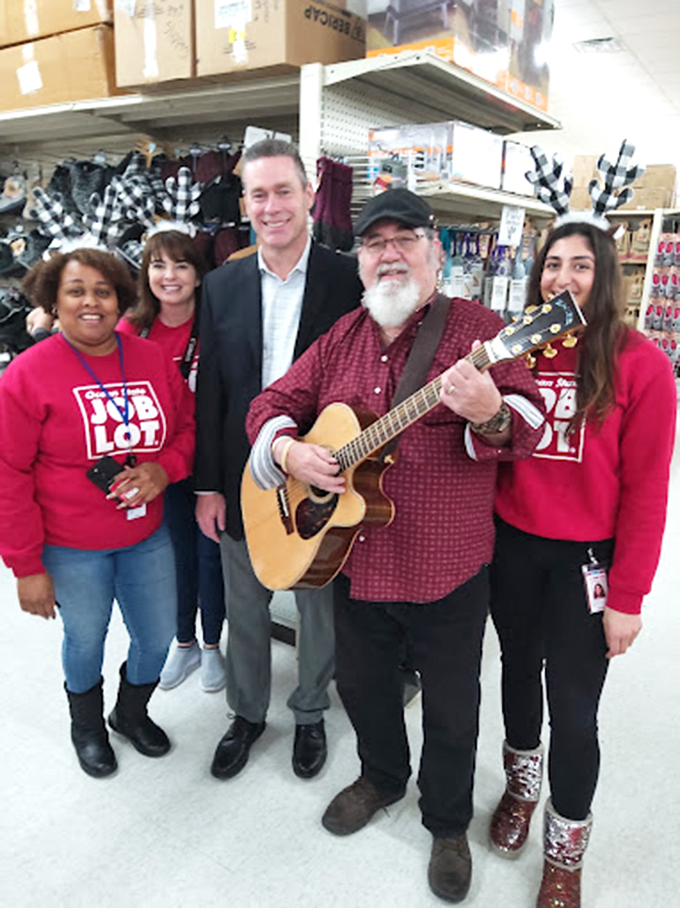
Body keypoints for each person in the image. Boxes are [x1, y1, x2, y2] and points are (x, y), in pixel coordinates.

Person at [244, 188, 545, 903]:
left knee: (450, 706)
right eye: (374, 243)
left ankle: (445, 821)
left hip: (447, 566)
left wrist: (492, 412)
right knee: (364, 687)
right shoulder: (342, 336)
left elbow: (529, 425)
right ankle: (381, 777)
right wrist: (289, 455)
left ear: (435, 252)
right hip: (352, 559)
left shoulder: (480, 330)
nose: (388, 255)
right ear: (360, 262)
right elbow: (272, 404)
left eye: (404, 239)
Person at [487, 220, 677, 908]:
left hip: (586, 565)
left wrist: (629, 595)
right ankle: (519, 789)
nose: (562, 278)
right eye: (552, 265)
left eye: (581, 266)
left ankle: (565, 851)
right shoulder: (518, 349)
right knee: (515, 672)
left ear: (606, 277)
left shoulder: (643, 365)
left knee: (575, 710)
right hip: (512, 547)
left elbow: (649, 488)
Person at [194, 139, 364, 781]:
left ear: (309, 196)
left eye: (283, 191)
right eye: (258, 194)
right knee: (245, 606)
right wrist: (209, 486)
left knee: (318, 603)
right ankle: (246, 713)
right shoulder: (223, 284)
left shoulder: (349, 280)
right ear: (245, 203)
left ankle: (311, 709)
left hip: (324, 470)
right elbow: (212, 388)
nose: (271, 207)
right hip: (246, 474)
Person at [0, 248, 195, 779]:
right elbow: (8, 474)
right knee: (85, 637)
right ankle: (86, 726)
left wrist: (164, 470)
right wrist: (26, 566)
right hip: (69, 545)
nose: (91, 301)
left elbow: (184, 429)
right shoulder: (26, 374)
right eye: (76, 290)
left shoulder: (151, 359)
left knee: (156, 637)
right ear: (53, 301)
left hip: (146, 535)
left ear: (121, 300)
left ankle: (130, 713)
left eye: (103, 291)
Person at [118, 228, 226, 694]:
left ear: (199, 276)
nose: (170, 275)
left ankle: (212, 645)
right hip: (156, 468)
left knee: (210, 556)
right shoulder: (131, 328)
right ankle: (183, 643)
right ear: (146, 273)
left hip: (208, 461)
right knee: (175, 558)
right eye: (158, 265)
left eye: (181, 265)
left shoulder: (217, 326)